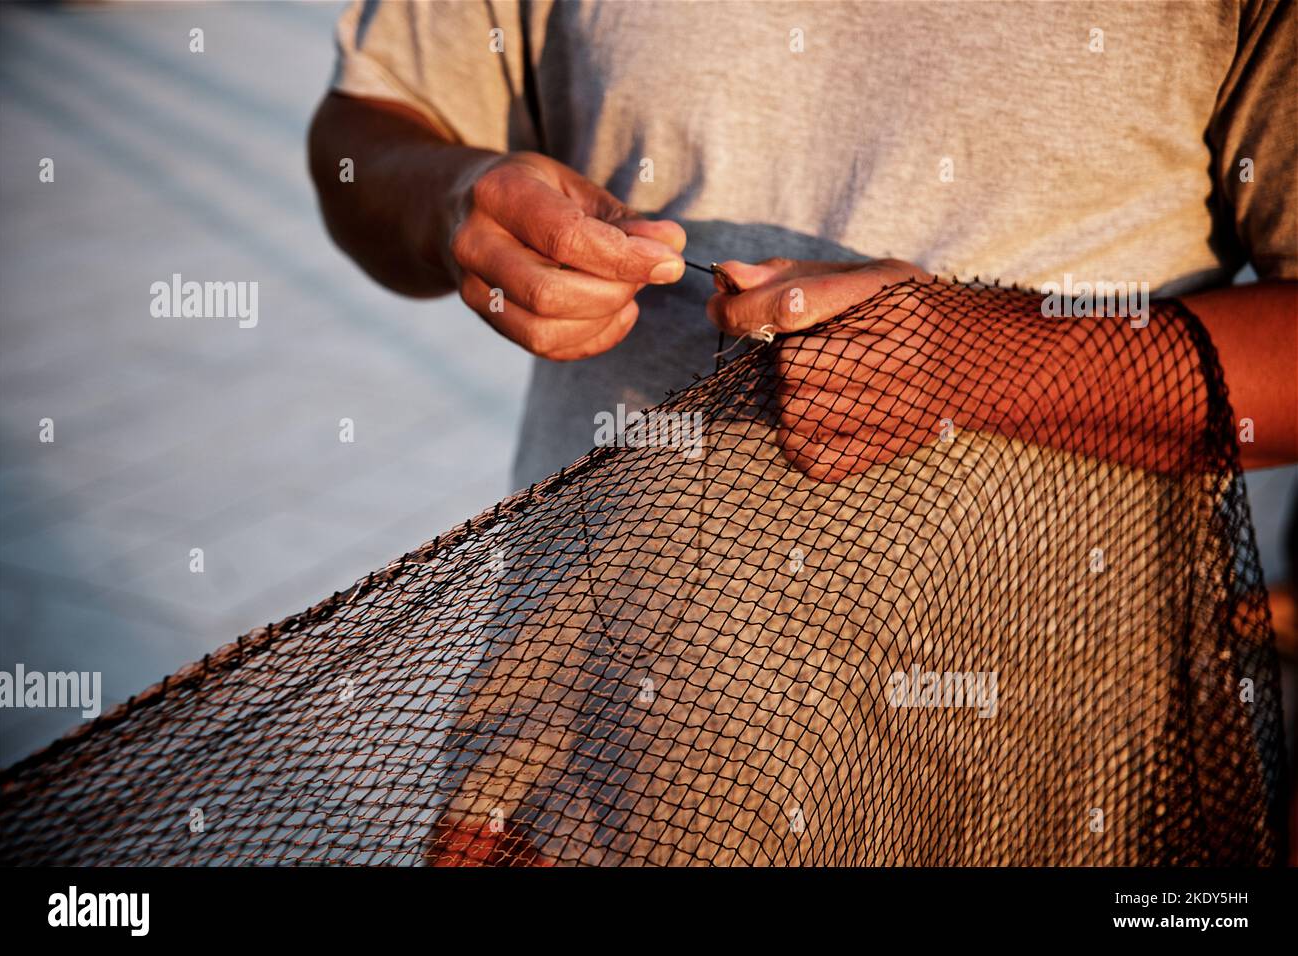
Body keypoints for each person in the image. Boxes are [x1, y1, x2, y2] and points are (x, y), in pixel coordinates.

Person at [308, 0, 1296, 864]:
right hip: (603, 741)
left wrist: (975, 356)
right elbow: (368, 124)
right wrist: (457, 203)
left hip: (1061, 756)